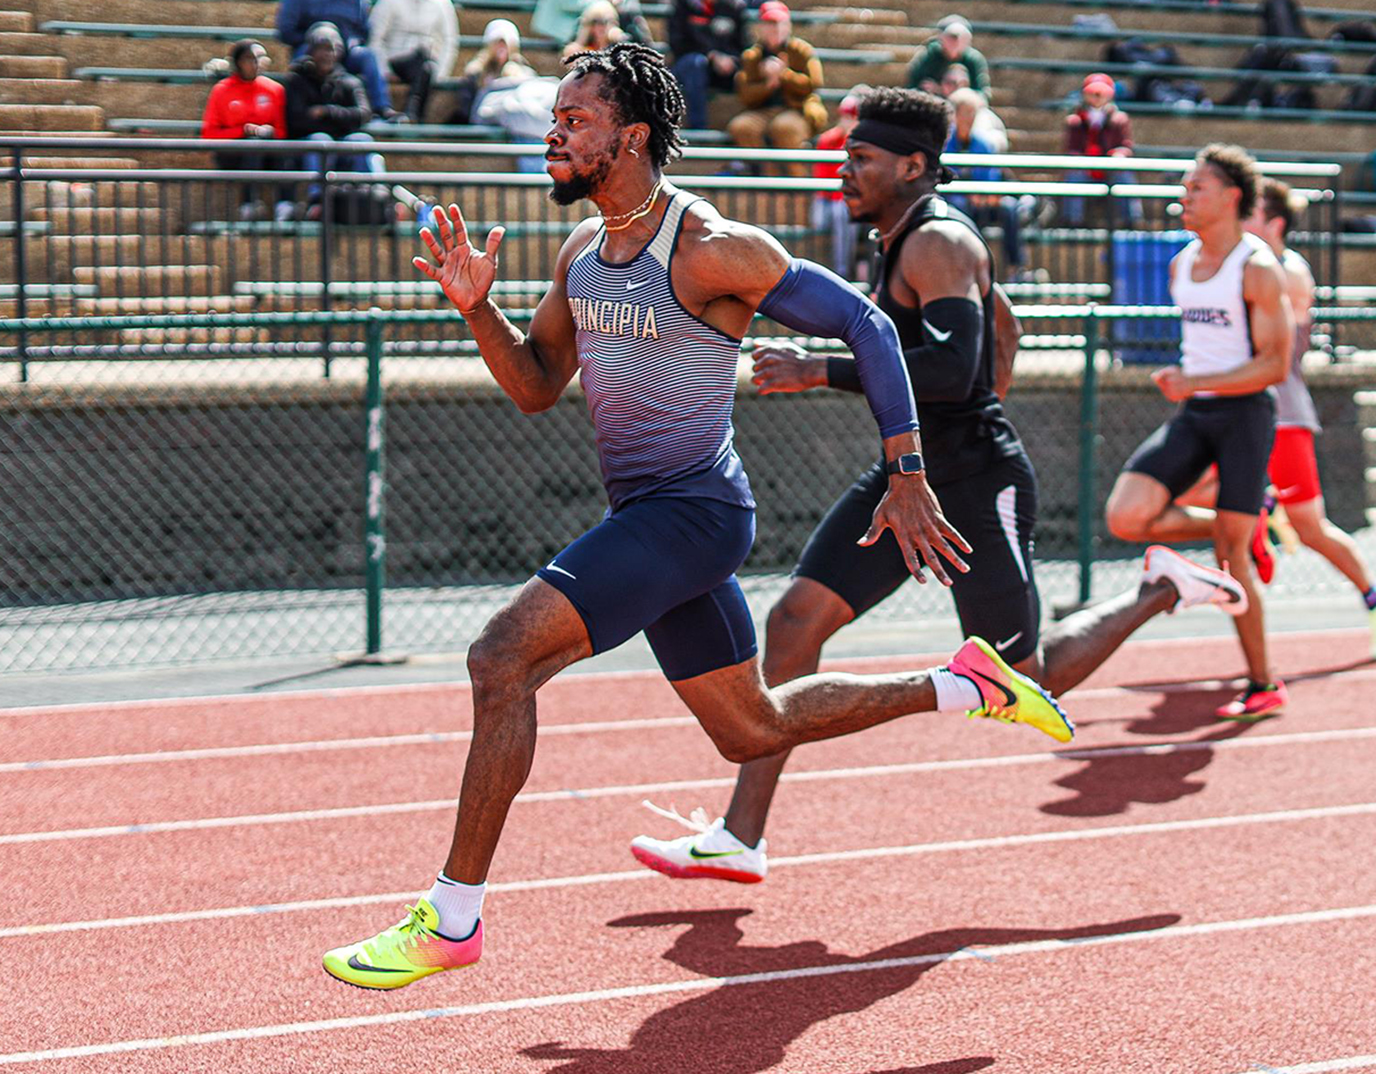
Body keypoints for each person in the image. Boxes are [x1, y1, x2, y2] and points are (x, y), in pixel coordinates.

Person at [322, 45, 1074, 991]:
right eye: (555, 118)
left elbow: (872, 328)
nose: (555, 133)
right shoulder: (583, 254)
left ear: (630, 136)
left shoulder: (710, 246)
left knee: (499, 658)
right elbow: (537, 385)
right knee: (752, 729)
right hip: (646, 512)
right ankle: (962, 683)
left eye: (576, 120)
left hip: (697, 512)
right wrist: (479, 312)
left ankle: (453, 918)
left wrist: (906, 471)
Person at [630, 87, 1248, 884]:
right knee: (793, 624)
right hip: (908, 479)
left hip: (973, 482)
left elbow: (957, 367)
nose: (845, 173)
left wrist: (822, 370)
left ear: (913, 165)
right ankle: (740, 834)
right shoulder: (906, 241)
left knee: (1024, 676)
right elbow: (1003, 325)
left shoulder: (937, 242)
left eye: (861, 160)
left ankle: (1160, 587)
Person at [1105, 144, 1295, 720]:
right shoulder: (1181, 262)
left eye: (1196, 189)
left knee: (1232, 559)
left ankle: (1264, 683)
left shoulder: (1258, 267)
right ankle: (1243, 525)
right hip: (1197, 413)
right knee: (1125, 516)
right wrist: (1192, 385)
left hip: (1243, 415)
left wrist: (1196, 380)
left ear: (1232, 197)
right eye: (1184, 189)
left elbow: (1275, 366)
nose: (1183, 198)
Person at [1187, 178, 1376, 656]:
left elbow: (1264, 343)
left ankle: (1370, 594)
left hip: (1282, 414)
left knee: (1311, 526)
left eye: (1251, 214)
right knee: (1187, 491)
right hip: (1238, 412)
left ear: (1273, 224)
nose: (1241, 220)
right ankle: (1256, 513)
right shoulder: (1241, 265)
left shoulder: (1285, 271)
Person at [282, 23, 383, 213]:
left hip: (343, 144)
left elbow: (363, 114)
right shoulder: (296, 80)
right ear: (311, 51)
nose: (327, 54)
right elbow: (296, 120)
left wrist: (326, 112)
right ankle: (317, 201)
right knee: (320, 141)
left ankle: (372, 197)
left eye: (332, 49)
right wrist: (337, 122)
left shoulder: (350, 81)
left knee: (361, 140)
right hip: (308, 147)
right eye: (322, 49)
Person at [727, 1, 828, 177]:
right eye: (770, 24)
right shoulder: (752, 56)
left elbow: (813, 84)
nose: (776, 29)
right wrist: (767, 85)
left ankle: (800, 181)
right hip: (763, 110)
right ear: (761, 27)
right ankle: (768, 177)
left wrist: (784, 75)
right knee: (741, 127)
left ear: (788, 25)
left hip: (797, 109)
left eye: (780, 23)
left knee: (784, 127)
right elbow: (745, 94)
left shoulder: (801, 50)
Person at [200, 39, 290, 220]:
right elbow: (209, 134)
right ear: (238, 62)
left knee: (283, 149)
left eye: (260, 58)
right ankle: (248, 204)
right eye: (250, 58)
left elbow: (282, 131)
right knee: (253, 144)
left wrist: (269, 131)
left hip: (268, 152)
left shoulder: (275, 90)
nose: (255, 63)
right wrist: (243, 131)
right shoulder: (222, 90)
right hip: (233, 154)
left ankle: (285, 205)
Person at [943, 87, 1025, 279]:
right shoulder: (945, 141)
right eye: (966, 112)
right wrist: (969, 193)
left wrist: (987, 194)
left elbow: (990, 176)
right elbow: (946, 177)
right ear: (955, 115)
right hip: (956, 200)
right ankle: (969, 264)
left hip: (981, 199)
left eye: (974, 112)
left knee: (1009, 207)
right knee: (961, 207)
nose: (971, 117)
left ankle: (1016, 267)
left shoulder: (983, 142)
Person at [276, 0, 400, 120]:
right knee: (304, 56)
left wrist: (347, 42)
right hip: (310, 47)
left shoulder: (356, 2)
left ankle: (382, 107)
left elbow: (364, 31)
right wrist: (318, 42)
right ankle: (301, 110)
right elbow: (286, 31)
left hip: (345, 50)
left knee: (368, 55)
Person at [1061, 73, 1141, 225]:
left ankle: (1132, 222)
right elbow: (1071, 148)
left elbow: (1126, 146)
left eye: (1101, 92)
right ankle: (1072, 222)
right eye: (1093, 92)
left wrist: (1118, 154)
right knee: (1074, 175)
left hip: (1109, 169)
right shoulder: (1075, 120)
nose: (1097, 96)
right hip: (1086, 169)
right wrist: (1078, 158)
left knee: (1124, 175)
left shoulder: (1119, 119)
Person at [368, 0, 459, 123]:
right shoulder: (388, 2)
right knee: (424, 64)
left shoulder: (442, 4)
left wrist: (441, 74)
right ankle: (413, 114)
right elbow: (375, 39)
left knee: (425, 64)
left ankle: (411, 114)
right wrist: (384, 70)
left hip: (426, 64)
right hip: (395, 61)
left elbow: (450, 41)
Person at [668, 0, 747, 130]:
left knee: (747, 72)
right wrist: (711, 55)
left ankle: (743, 126)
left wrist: (731, 59)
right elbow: (677, 44)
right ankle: (698, 129)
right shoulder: (683, 6)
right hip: (690, 66)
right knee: (695, 64)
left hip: (725, 68)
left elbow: (743, 46)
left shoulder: (734, 7)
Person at [810, 87, 864, 276]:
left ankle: (843, 272)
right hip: (828, 200)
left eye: (851, 118)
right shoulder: (829, 139)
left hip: (851, 202)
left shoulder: (863, 142)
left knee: (842, 212)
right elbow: (822, 177)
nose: (846, 121)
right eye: (845, 117)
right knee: (838, 211)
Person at [908, 15, 990, 101]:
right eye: (951, 37)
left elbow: (983, 94)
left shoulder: (974, 60)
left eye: (960, 38)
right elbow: (913, 86)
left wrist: (955, 92)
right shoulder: (928, 57)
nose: (955, 42)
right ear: (941, 38)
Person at [938, 63, 1006, 152]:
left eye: (972, 113)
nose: (969, 118)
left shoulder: (982, 143)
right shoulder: (943, 141)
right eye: (964, 113)